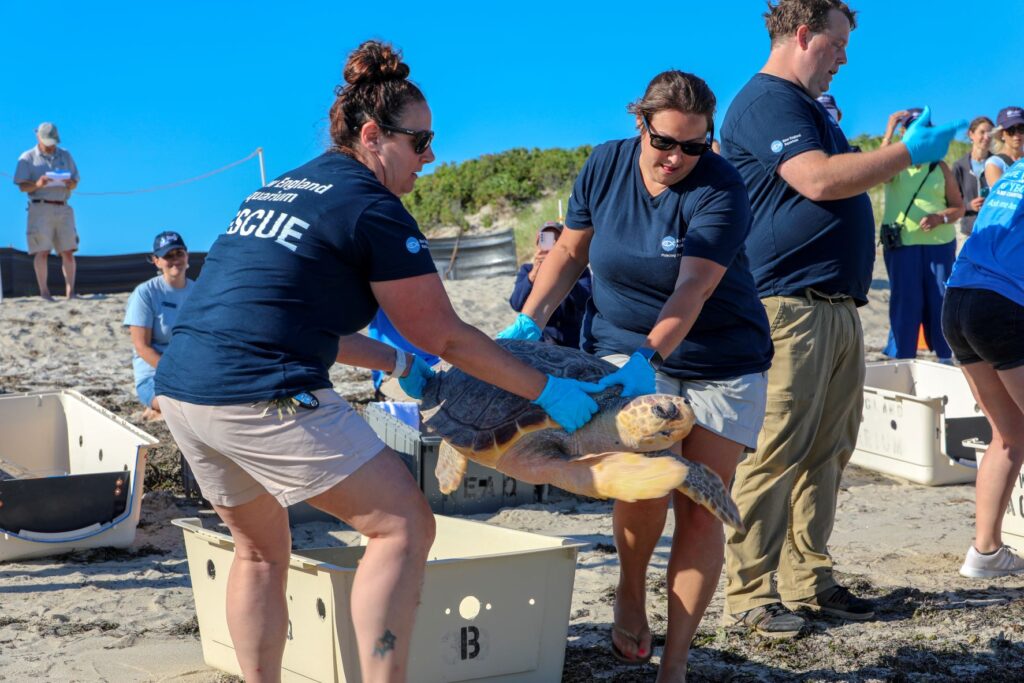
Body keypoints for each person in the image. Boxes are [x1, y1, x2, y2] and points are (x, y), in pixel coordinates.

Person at [152, 40, 601, 683]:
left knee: (257, 552)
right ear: (372, 136)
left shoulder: (286, 186)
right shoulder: (374, 207)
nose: (430, 156)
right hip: (257, 391)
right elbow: (446, 335)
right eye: (419, 142)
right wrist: (547, 388)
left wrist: (395, 361)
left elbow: (292, 319)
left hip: (186, 392)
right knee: (402, 527)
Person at [500, 70, 773, 681]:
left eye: (694, 146)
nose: (677, 158)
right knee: (644, 481)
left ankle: (674, 665)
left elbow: (695, 286)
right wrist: (528, 322)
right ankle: (630, 587)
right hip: (623, 346)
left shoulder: (722, 187)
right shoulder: (604, 164)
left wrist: (653, 355)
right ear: (639, 123)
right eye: (665, 142)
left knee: (700, 504)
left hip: (720, 361)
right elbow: (569, 253)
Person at [720, 0, 964, 639]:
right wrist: (907, 156)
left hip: (829, 305)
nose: (844, 57)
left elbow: (838, 180)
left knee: (827, 451)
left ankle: (810, 581)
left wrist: (887, 151)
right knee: (776, 451)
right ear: (804, 36)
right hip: (789, 306)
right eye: (837, 43)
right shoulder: (768, 101)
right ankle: (749, 595)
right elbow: (821, 182)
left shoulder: (803, 109)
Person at [942, 158, 1024, 578]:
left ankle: (986, 552)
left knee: (1009, 434)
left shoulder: (1014, 171)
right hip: (1000, 304)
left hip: (958, 300)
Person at [878, 109, 965, 360]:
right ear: (905, 132)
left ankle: (945, 357)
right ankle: (901, 359)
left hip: (939, 245)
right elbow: (878, 169)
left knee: (940, 302)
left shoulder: (940, 167)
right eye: (912, 128)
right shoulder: (894, 165)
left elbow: (958, 207)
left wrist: (941, 218)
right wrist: (889, 130)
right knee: (906, 303)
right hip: (902, 246)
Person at [123, 231, 195, 420]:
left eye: (179, 253)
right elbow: (141, 346)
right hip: (155, 376)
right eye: (168, 256)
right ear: (156, 261)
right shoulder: (145, 293)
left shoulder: (198, 291)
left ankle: (160, 412)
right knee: (185, 407)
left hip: (193, 372)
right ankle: (157, 409)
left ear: (187, 255)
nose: (175, 260)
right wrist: (176, 373)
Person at [12, 122, 80, 300]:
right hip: (40, 206)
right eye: (47, 141)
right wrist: (37, 184)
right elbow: (21, 186)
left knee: (68, 250)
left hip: (63, 205)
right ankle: (44, 292)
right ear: (38, 138)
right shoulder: (28, 157)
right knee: (41, 250)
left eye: (53, 141)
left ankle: (70, 292)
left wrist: (70, 184)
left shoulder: (65, 155)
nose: (51, 145)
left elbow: (75, 180)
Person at [508, 221, 592, 348]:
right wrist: (534, 274)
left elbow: (585, 301)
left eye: (557, 241)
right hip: (542, 338)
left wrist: (565, 269)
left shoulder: (579, 270)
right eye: (546, 240)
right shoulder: (527, 269)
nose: (551, 245)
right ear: (538, 244)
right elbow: (516, 303)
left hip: (573, 340)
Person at [952, 116, 994, 236]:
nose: (987, 137)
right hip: (968, 233)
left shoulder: (998, 163)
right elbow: (950, 204)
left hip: (994, 231)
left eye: (990, 133)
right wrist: (969, 206)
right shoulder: (959, 167)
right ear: (971, 134)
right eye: (982, 132)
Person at [985, 106, 1024, 187]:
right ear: (1001, 134)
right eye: (1010, 130)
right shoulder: (994, 163)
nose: (1016, 134)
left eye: (1021, 128)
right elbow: (1001, 195)